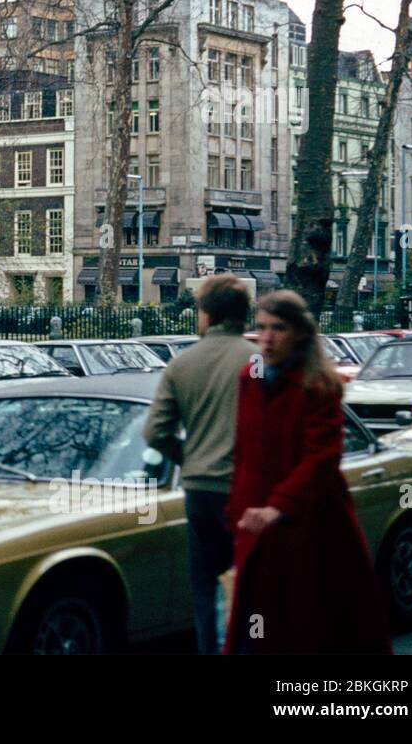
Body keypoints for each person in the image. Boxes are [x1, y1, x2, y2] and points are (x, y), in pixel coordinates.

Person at [223, 290, 391, 654]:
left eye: (278, 328)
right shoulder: (249, 379)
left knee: (309, 630)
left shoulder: (318, 386)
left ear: (299, 332)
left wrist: (278, 506)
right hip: (260, 526)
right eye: (262, 327)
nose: (266, 338)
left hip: (312, 525)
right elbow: (246, 453)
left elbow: (321, 458)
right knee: (258, 631)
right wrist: (237, 510)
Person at [143, 273, 255, 654]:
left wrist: (191, 458)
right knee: (252, 583)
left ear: (207, 315)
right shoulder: (257, 362)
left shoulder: (181, 365)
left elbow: (156, 433)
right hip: (248, 489)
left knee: (206, 583)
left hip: (201, 489)